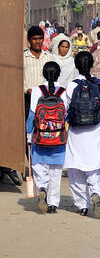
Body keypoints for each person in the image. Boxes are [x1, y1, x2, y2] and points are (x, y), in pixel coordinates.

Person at [65, 49, 100, 218]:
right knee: (93, 167)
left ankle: (81, 205)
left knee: (76, 169)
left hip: (76, 133)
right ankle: (95, 194)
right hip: (96, 131)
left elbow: (66, 110)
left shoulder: (71, 85)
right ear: (92, 65)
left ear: (76, 66)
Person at [27, 59, 67, 214]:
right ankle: (53, 204)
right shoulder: (63, 91)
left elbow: (32, 115)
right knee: (55, 173)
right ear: (58, 74)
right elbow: (66, 116)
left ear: (43, 73)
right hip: (58, 139)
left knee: (39, 167)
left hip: (40, 137)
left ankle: (42, 187)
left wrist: (29, 135)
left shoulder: (37, 91)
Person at [24, 26, 48, 113]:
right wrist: (26, 90)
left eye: (40, 38)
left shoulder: (49, 57)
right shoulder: (23, 58)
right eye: (34, 39)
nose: (38, 42)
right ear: (29, 40)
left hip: (46, 100)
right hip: (28, 99)